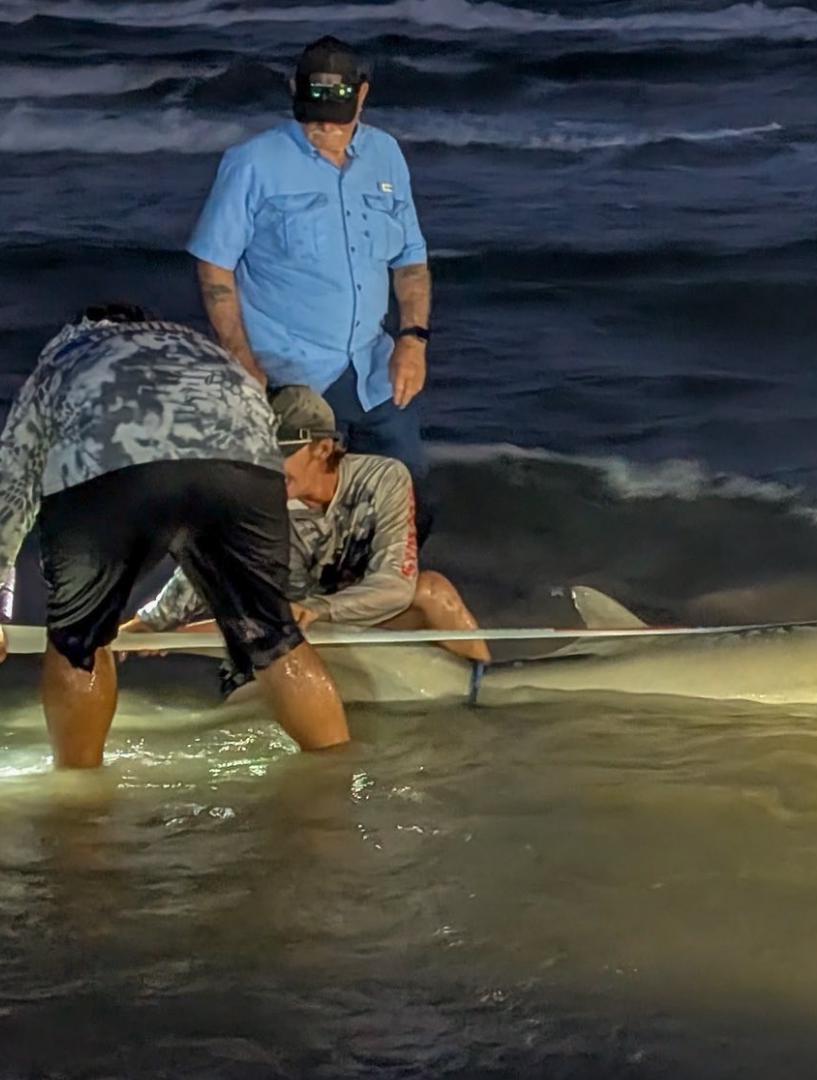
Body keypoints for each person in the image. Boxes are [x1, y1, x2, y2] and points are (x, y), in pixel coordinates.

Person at [0, 306, 349, 768]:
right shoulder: (202, 352)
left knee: (79, 641)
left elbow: (12, 488)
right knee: (271, 633)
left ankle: (78, 798)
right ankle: (340, 773)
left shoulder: (66, 356)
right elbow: (211, 544)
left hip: (113, 467)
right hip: (245, 468)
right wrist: (160, 616)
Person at [187, 35, 435, 533]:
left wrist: (413, 340)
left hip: (373, 368)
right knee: (291, 515)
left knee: (407, 499)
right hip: (290, 373)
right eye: (313, 113)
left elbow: (410, 258)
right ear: (292, 91)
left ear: (362, 96)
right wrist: (242, 359)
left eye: (339, 115)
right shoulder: (252, 163)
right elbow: (215, 265)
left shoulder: (385, 155)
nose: (324, 126)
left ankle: (380, 601)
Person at [122, 387, 490, 669]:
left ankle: (483, 681)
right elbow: (202, 568)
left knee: (433, 591)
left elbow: (396, 584)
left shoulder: (383, 478)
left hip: (355, 617)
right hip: (282, 634)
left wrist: (318, 608)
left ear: (323, 448)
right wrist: (149, 624)